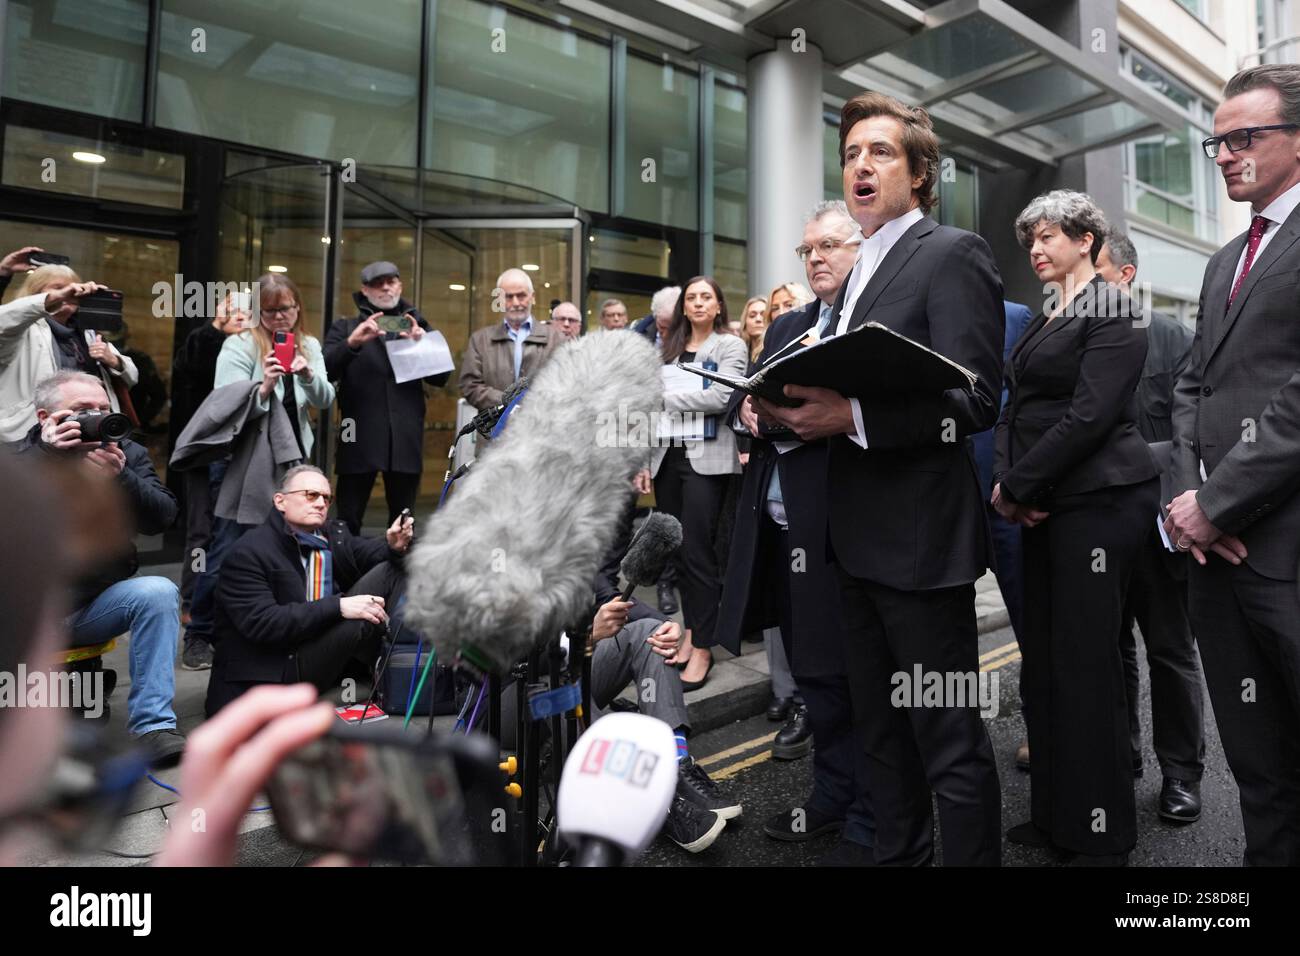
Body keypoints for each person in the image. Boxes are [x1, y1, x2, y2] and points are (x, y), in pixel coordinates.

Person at [755, 91, 1004, 866]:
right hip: (853, 546)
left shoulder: (952, 252)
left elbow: (975, 399)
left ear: (920, 173)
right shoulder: (858, 267)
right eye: (851, 154)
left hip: (924, 551)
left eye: (882, 153)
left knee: (948, 741)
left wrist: (853, 418)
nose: (862, 165)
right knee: (882, 738)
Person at [992, 190, 1159, 865]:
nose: (1036, 248)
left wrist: (1020, 485)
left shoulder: (1116, 308)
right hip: (1043, 507)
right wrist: (1008, 488)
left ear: (1087, 239)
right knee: (1049, 669)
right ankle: (1057, 817)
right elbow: (1014, 408)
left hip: (1095, 506)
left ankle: (1101, 834)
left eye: (1049, 235)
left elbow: (1090, 417)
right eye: (1030, 237)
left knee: (1087, 672)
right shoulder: (1047, 315)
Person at [1165, 64, 1300, 866]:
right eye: (1217, 140)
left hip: (1284, 551)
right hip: (1214, 562)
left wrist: (1217, 502)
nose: (1223, 154)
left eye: (1244, 137)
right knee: (1258, 769)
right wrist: (1188, 503)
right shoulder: (1223, 261)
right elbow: (1190, 387)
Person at [721, 199, 877, 865]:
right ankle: (831, 796)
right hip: (782, 530)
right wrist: (753, 415)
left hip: (847, 534)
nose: (816, 258)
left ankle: (873, 812)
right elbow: (744, 397)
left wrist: (795, 417)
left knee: (861, 682)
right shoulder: (788, 322)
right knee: (815, 678)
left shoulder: (871, 325)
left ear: (859, 250)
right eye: (807, 250)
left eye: (829, 247)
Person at [16, 371, 184, 767]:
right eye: (81, 411)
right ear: (45, 417)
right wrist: (46, 455)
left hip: (90, 606)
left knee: (158, 593)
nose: (95, 417)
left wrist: (121, 476)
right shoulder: (17, 457)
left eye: (102, 409)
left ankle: (155, 727)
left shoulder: (123, 453)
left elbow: (163, 518)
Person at [1096, 230, 1205, 823]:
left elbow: (1193, 434)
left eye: (1098, 272)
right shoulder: (1076, 340)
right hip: (1097, 531)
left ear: (1126, 276)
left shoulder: (1174, 339)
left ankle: (1182, 774)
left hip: (1161, 528)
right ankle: (1124, 756)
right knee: (1111, 651)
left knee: (1169, 651)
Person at [183, 273, 334, 668]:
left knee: (290, 544)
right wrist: (264, 384)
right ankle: (200, 633)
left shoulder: (310, 344)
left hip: (292, 460)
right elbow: (226, 402)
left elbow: (326, 397)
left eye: (285, 309)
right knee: (228, 547)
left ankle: (277, 628)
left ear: (297, 307)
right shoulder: (239, 344)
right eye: (269, 312)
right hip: (243, 461)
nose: (279, 318)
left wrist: (306, 373)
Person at [204, 464, 414, 715]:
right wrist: (339, 606)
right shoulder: (249, 551)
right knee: (359, 617)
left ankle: (400, 665)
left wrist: (395, 545)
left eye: (326, 497)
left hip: (318, 643)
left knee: (393, 567)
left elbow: (367, 553)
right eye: (310, 495)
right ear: (280, 501)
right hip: (278, 665)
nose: (320, 503)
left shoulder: (330, 536)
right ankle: (388, 668)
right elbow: (264, 624)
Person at [649, 277, 747, 691]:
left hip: (706, 459)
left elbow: (725, 396)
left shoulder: (730, 346)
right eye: (692, 298)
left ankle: (705, 646)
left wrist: (669, 397)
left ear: (718, 304)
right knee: (679, 552)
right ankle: (690, 635)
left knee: (699, 553)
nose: (699, 302)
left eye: (707, 296)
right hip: (667, 457)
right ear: (683, 308)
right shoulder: (667, 350)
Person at [324, 261, 451, 536]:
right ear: (364, 290)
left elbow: (442, 378)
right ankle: (345, 575)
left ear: (400, 285)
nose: (385, 287)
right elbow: (324, 369)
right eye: (377, 283)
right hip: (357, 439)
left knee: (403, 523)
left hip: (404, 440)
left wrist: (422, 345)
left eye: (390, 281)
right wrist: (353, 344)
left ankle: (396, 577)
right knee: (347, 520)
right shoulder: (345, 327)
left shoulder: (418, 324)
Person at [970, 300, 1033, 770]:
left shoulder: (1014, 316)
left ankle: (1043, 727)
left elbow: (1029, 399)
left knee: (1030, 619)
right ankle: (956, 736)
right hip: (944, 500)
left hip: (1005, 495)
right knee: (942, 630)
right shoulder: (917, 314)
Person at [171, 291, 248, 648]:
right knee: (202, 529)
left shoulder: (255, 348)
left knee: (235, 529)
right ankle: (191, 603)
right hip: (205, 450)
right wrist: (217, 327)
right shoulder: (204, 341)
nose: (237, 315)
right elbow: (190, 368)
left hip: (242, 450)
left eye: (245, 311)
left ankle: (230, 602)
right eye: (230, 309)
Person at [0, 260, 137, 443]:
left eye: (73, 289)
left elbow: (133, 376)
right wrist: (53, 299)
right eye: (58, 288)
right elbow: (4, 320)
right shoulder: (22, 330)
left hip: (89, 430)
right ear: (36, 294)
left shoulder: (88, 332)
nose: (69, 293)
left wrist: (112, 360)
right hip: (31, 433)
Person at [634, 285, 683, 616]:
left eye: (671, 325)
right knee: (656, 515)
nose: (665, 332)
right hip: (644, 427)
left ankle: (674, 580)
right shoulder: (638, 334)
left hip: (681, 433)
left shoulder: (688, 336)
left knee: (680, 517)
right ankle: (661, 581)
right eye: (661, 325)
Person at [459, 267, 559, 411]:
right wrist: (509, 402)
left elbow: (566, 385)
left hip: (540, 430)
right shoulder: (480, 340)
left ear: (533, 297)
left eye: (521, 295)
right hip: (495, 431)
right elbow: (470, 385)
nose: (516, 303)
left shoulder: (557, 340)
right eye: (508, 297)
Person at [633, 285, 680, 352]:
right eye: (662, 327)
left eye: (672, 328)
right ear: (655, 317)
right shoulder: (638, 334)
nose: (666, 335)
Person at [738, 296, 768, 366]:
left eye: (763, 315)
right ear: (745, 323)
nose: (758, 319)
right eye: (752, 315)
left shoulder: (773, 351)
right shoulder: (737, 350)